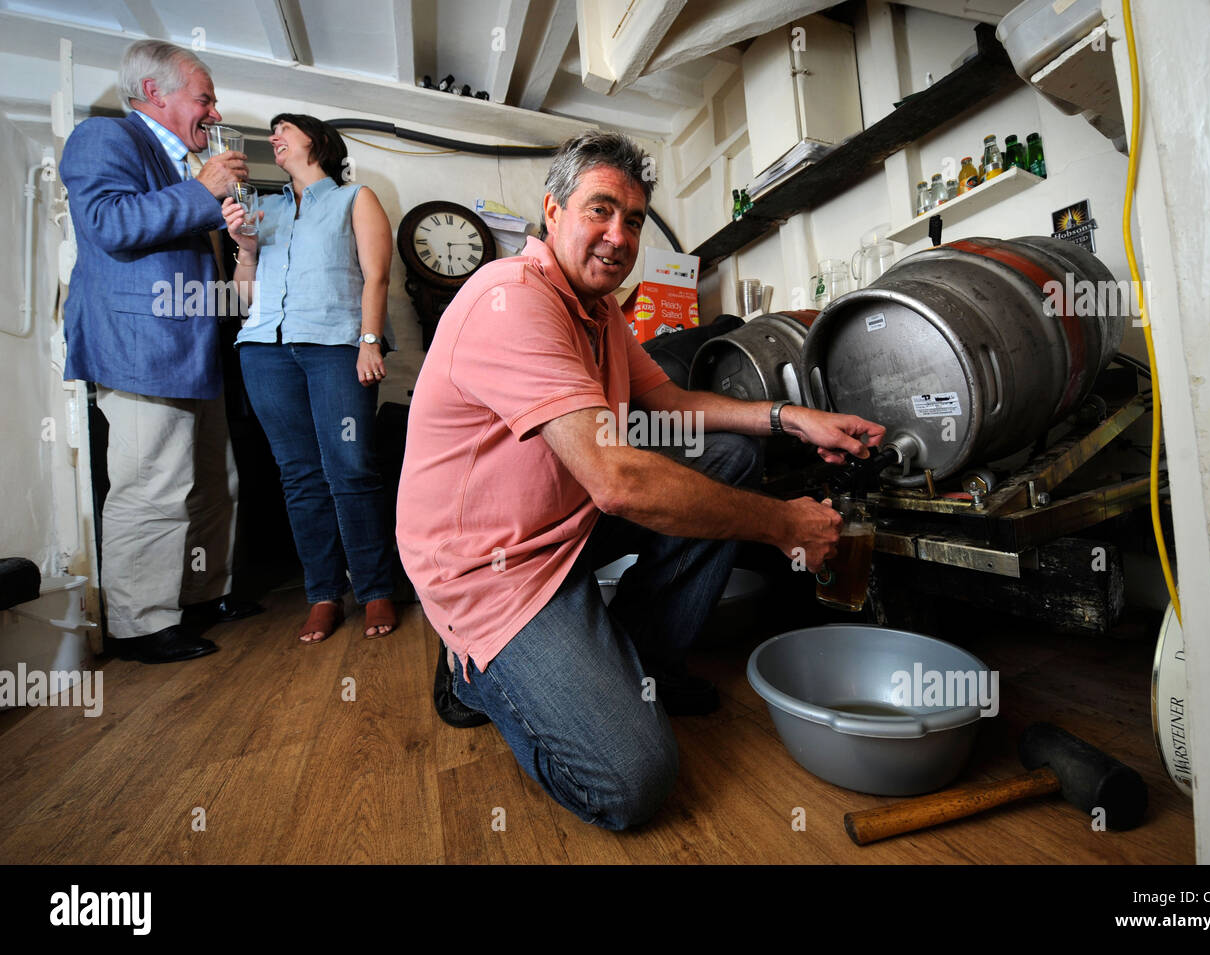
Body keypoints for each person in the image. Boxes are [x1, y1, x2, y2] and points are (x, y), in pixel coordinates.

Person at [396, 130, 885, 831]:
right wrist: (783, 525)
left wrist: (791, 418)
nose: (617, 236)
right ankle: (473, 669)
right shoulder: (513, 301)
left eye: (631, 220)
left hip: (566, 524)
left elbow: (676, 405)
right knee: (633, 781)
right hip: (491, 571)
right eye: (600, 210)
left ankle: (643, 662)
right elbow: (619, 481)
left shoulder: (599, 313)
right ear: (553, 212)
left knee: (730, 459)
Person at [60, 39, 262, 665]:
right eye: (204, 97)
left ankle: (203, 594)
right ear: (155, 94)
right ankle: (141, 623)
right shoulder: (104, 138)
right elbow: (109, 225)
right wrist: (203, 190)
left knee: (212, 480)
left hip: (192, 346)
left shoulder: (182, 164)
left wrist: (235, 240)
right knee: (153, 484)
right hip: (140, 347)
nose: (214, 109)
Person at [222, 114, 398, 644]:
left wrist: (369, 341)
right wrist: (246, 250)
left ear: (316, 142)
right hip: (264, 351)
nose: (273, 137)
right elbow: (241, 299)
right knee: (299, 476)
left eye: (284, 129)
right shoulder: (262, 210)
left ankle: (375, 590)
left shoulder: (355, 198)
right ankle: (322, 594)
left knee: (351, 467)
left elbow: (377, 275)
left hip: (335, 347)